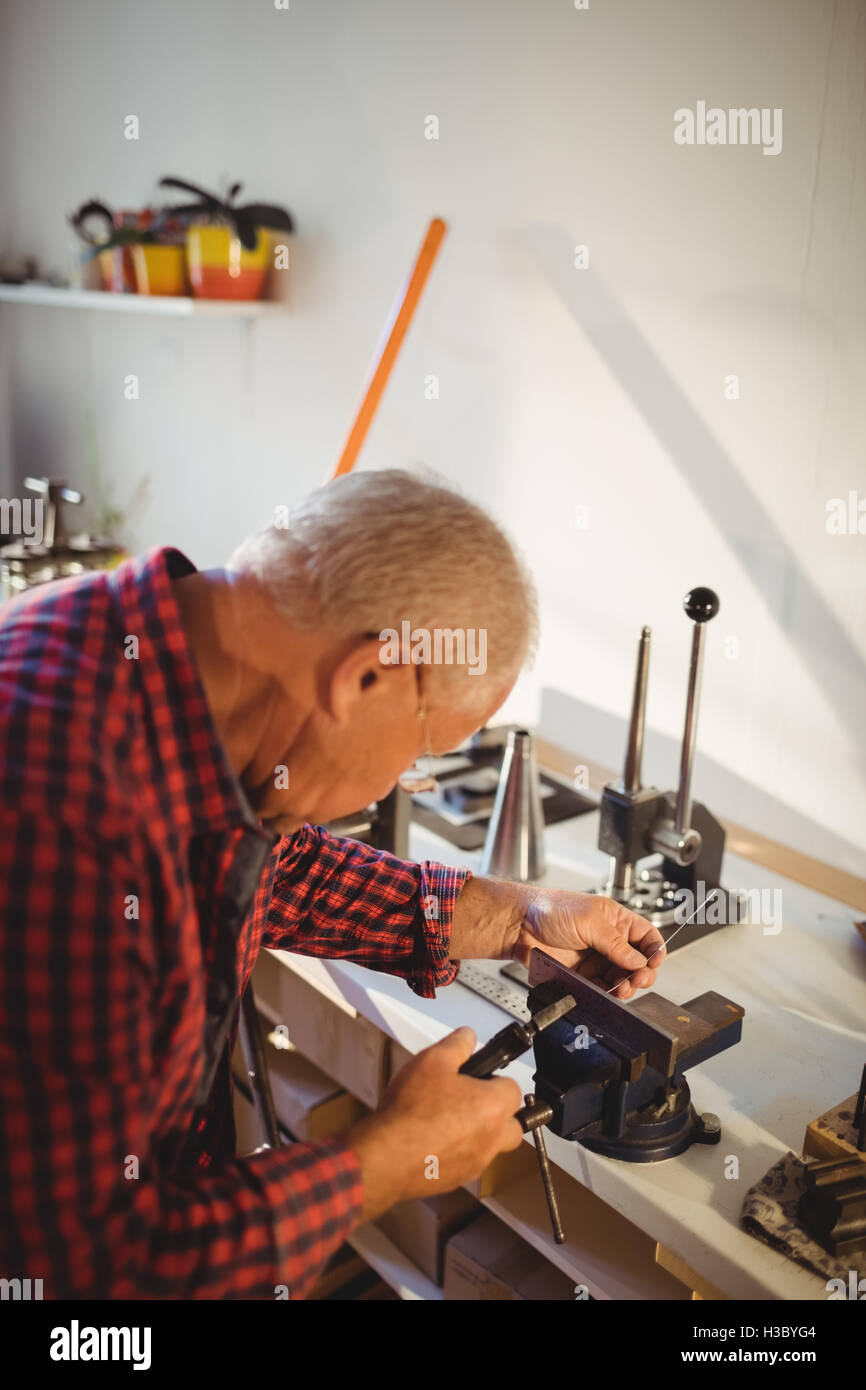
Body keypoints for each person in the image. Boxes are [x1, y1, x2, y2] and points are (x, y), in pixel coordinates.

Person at [0, 468, 664, 1299]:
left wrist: (518, 915)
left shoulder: (118, 639)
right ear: (364, 677)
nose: (398, 783)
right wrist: (384, 1160)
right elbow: (90, 1279)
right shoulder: (67, 820)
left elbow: (277, 864)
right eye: (420, 752)